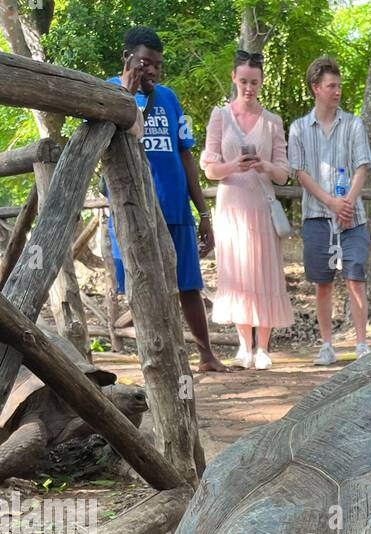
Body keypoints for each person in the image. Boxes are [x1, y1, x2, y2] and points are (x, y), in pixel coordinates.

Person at [106, 26, 227, 371]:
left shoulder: (170, 98)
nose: (154, 72)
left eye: (158, 65)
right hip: (134, 213)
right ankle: (156, 361)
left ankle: (206, 355)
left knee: (189, 284)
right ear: (127, 60)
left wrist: (203, 213)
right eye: (146, 63)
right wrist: (127, 95)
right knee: (143, 287)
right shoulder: (105, 92)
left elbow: (186, 155)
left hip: (176, 210)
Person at [201, 50, 294, 370]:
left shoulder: (273, 122)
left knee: (265, 273)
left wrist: (265, 164)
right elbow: (208, 168)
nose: (249, 87)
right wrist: (232, 165)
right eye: (243, 81)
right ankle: (243, 346)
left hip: (262, 204)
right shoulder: (220, 116)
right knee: (237, 273)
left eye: (254, 82)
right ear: (234, 79)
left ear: (262, 81)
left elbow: (284, 172)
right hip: (231, 207)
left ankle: (263, 348)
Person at [287, 56, 371, 366]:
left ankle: (362, 345)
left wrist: (346, 201)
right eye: (331, 86)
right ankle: (326, 345)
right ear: (316, 88)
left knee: (355, 277)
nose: (337, 91)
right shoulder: (298, 128)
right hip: (317, 216)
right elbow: (300, 172)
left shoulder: (353, 124)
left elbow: (362, 165)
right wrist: (330, 201)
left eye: (339, 86)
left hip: (353, 217)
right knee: (322, 282)